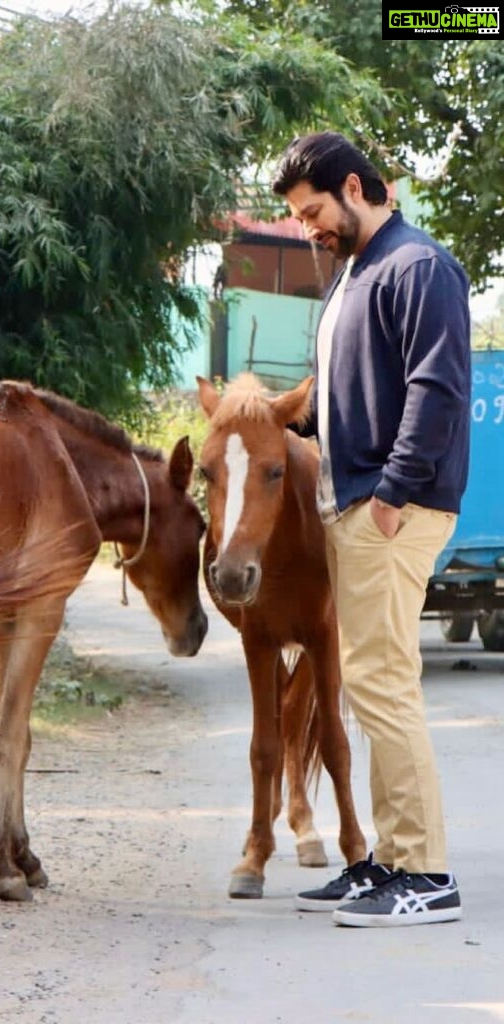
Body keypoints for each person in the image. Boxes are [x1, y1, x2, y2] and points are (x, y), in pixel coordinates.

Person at [271, 132, 471, 928]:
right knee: (370, 685)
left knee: (384, 685)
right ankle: (387, 862)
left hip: (394, 507)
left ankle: (426, 874)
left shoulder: (415, 267)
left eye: (312, 211)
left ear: (354, 188)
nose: (306, 229)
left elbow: (437, 386)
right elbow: (333, 398)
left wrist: (392, 489)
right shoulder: (354, 275)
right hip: (351, 503)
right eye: (296, 217)